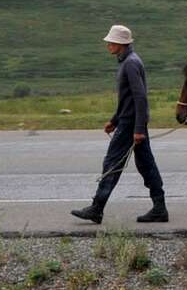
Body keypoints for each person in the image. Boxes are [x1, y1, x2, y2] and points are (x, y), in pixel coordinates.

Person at [70, 24, 167, 224]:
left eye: (111, 42)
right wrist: (114, 121)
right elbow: (128, 99)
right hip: (129, 121)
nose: (108, 45)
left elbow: (140, 97)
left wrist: (138, 129)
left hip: (132, 124)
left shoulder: (130, 63)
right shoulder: (127, 61)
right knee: (146, 164)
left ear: (120, 44)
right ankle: (159, 207)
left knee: (112, 163)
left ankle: (97, 208)